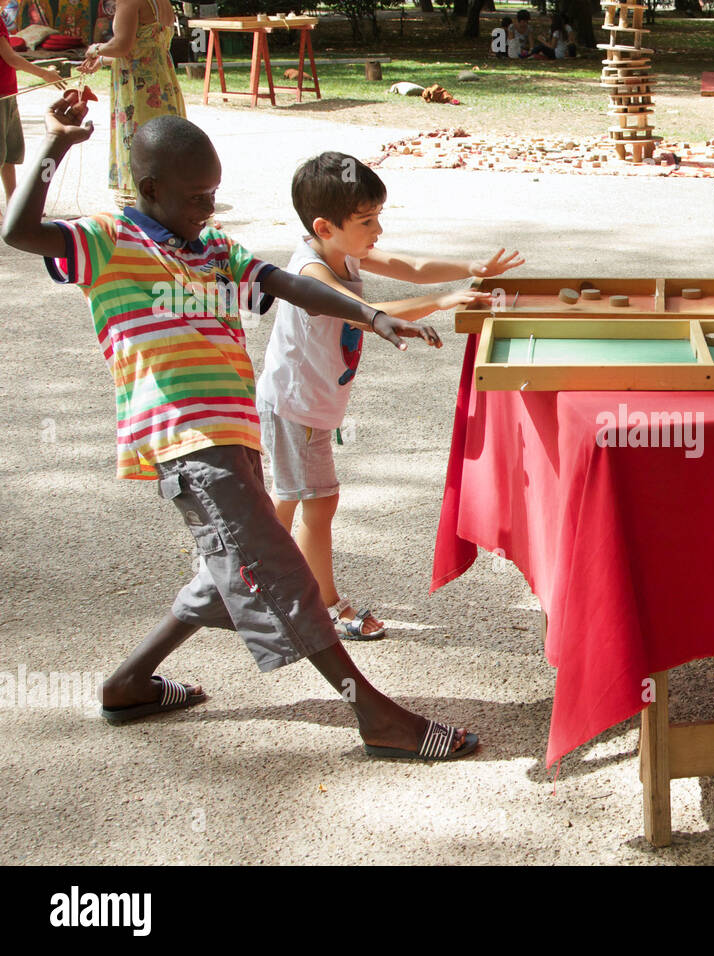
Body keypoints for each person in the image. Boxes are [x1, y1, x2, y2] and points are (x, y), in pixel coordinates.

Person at [1, 107, 478, 762]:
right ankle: (375, 716)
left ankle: (128, 684)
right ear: (150, 187)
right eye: (195, 197)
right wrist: (56, 142)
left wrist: (372, 315)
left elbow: (285, 284)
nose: (207, 206)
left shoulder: (214, 249)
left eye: (212, 194)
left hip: (233, 431)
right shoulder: (108, 238)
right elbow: (18, 231)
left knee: (229, 568)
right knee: (278, 570)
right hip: (183, 437)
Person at [258, 152, 523, 640]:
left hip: (312, 406)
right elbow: (366, 310)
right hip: (294, 406)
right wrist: (443, 301)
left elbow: (412, 266)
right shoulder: (310, 273)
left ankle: (255, 577)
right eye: (367, 220)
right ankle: (307, 601)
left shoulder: (343, 250)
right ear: (324, 227)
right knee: (306, 503)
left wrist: (471, 266)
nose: (378, 229)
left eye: (378, 215)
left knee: (301, 501)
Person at [76, 0, 185, 209]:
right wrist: (101, 61)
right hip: (163, 83)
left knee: (142, 144)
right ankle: (168, 200)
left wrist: (95, 49)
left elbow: (122, 45)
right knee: (165, 142)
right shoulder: (162, 3)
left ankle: (145, 206)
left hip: (140, 89)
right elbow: (142, 47)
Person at [0, 18, 63, 209]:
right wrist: (44, 74)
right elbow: (10, 57)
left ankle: (13, 204)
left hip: (8, 93)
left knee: (9, 153)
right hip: (1, 96)